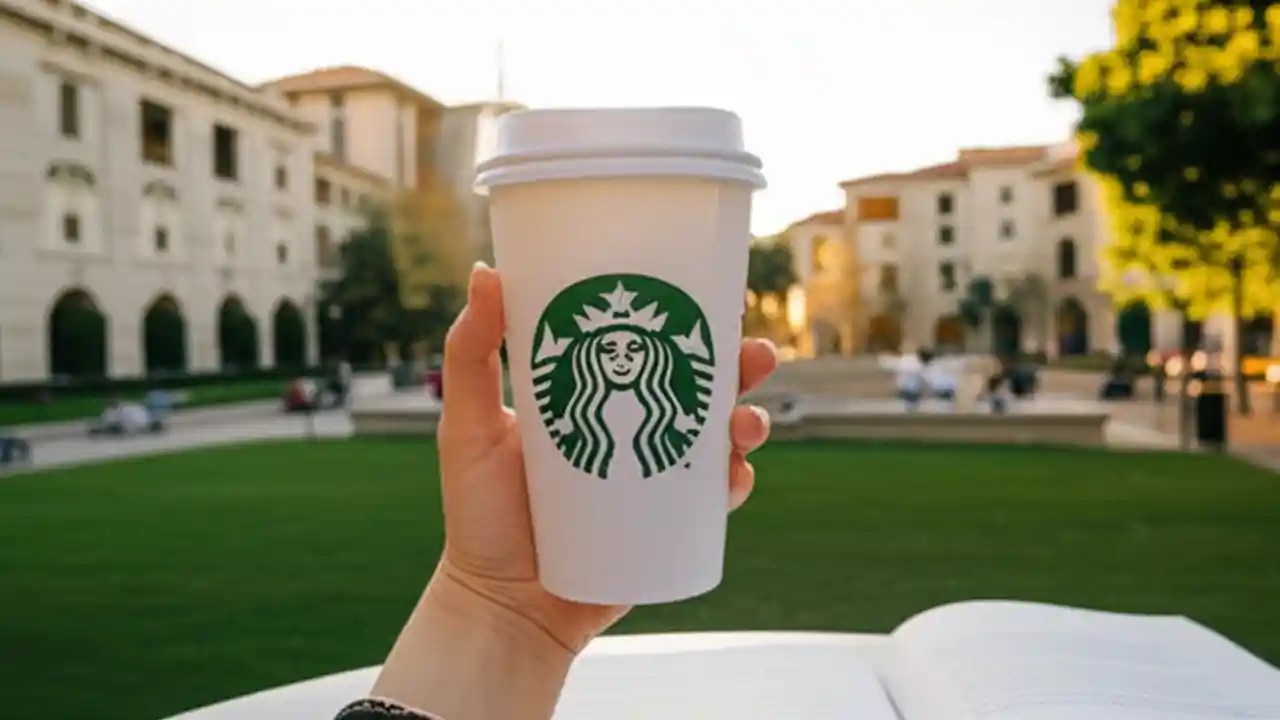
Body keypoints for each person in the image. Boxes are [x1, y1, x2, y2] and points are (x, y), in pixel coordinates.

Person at [333, 263, 777, 720]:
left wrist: (502, 616)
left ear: (656, 357)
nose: (622, 359)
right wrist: (491, 601)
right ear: (587, 357)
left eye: (634, 348)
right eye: (608, 348)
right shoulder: (582, 421)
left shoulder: (661, 422)